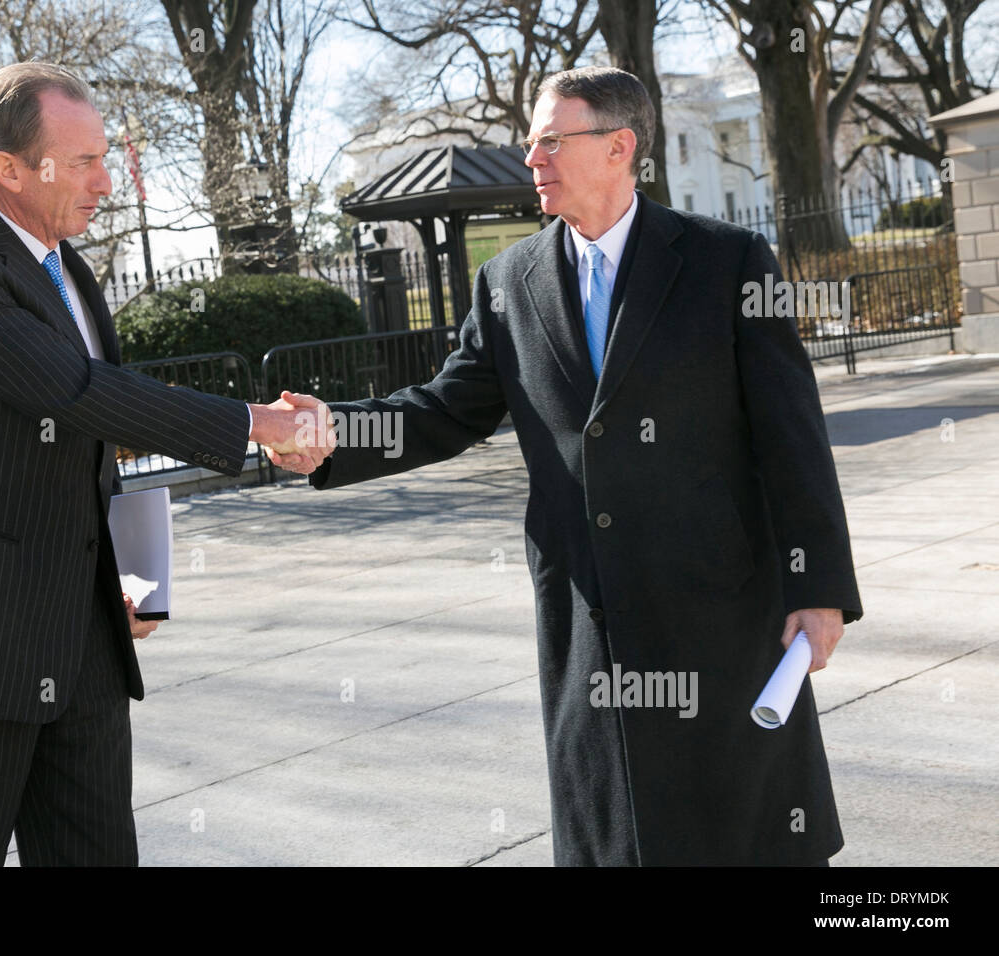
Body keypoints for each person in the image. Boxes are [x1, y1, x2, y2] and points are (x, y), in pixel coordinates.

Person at [273, 66, 862, 866]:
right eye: (530, 141)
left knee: (745, 838)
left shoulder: (730, 263)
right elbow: (444, 411)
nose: (532, 157)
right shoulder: (508, 282)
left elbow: (792, 434)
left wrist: (820, 588)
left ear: (619, 146)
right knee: (616, 837)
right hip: (591, 625)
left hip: (721, 615)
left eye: (551, 139)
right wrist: (334, 430)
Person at [0, 62, 332, 866]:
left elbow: (96, 439)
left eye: (106, 157)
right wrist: (258, 424)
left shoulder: (67, 267)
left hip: (81, 644)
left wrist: (141, 583)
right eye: (83, 162)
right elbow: (75, 393)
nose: (106, 181)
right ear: (8, 168)